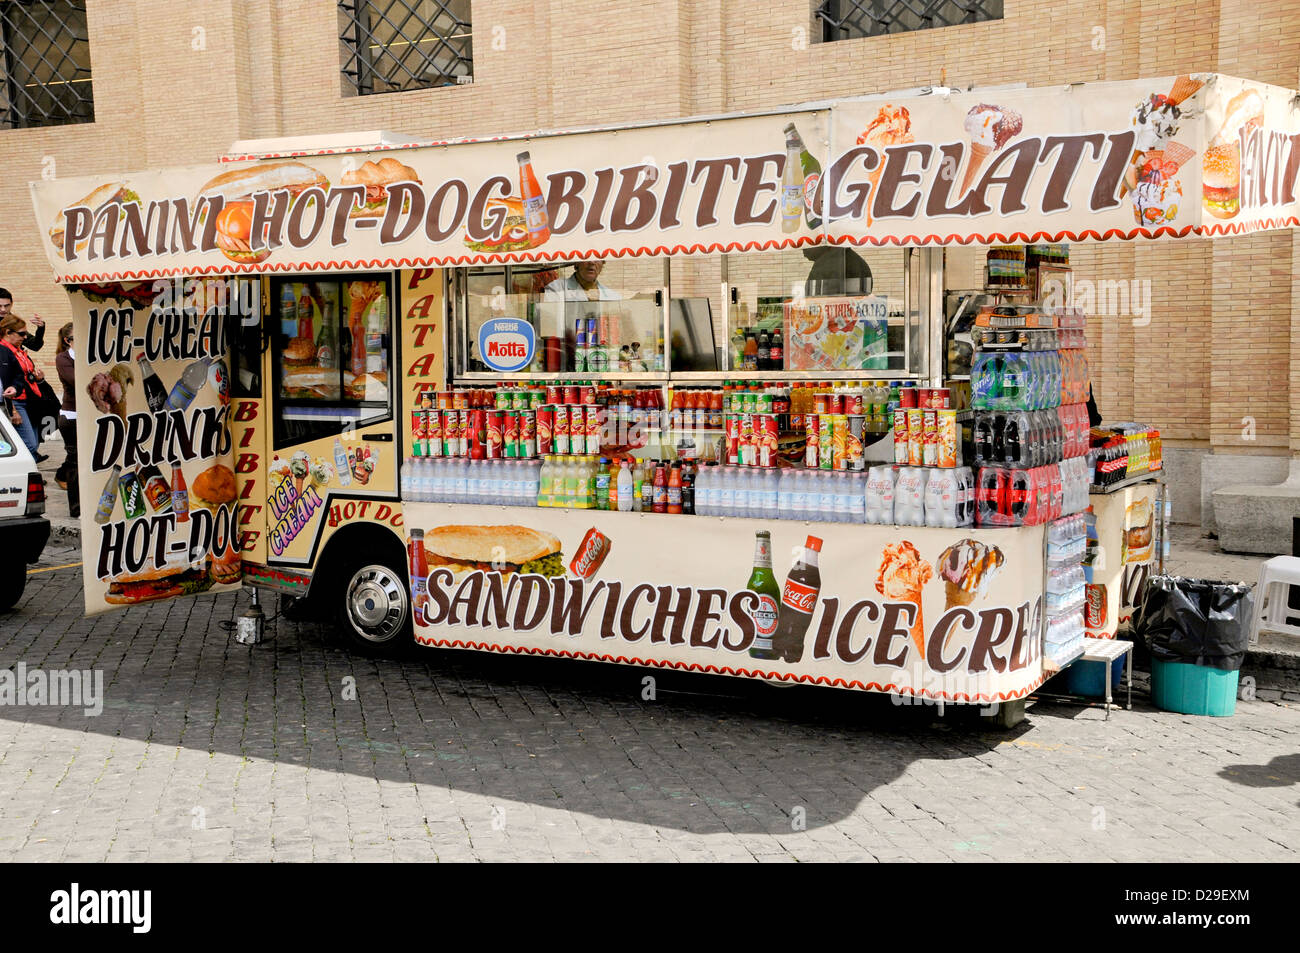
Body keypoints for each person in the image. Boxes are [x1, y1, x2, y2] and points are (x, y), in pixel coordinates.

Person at [0, 315, 46, 457]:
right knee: (29, 444)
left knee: (34, 442)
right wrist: (13, 409)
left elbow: (18, 377)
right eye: (21, 334)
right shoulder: (5, 351)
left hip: (29, 399)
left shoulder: (17, 350)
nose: (25, 337)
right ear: (8, 332)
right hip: (15, 402)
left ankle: (29, 472)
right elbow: (5, 382)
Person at [55, 323, 79, 515]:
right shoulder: (62, 359)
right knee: (74, 460)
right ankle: (76, 508)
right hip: (71, 415)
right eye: (75, 338)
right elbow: (76, 381)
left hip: (92, 414)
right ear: (67, 341)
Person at [543, 260, 622, 301]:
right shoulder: (556, 289)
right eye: (586, 257)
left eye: (597, 257)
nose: (591, 262)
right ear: (576, 263)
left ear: (602, 263)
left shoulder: (613, 296)